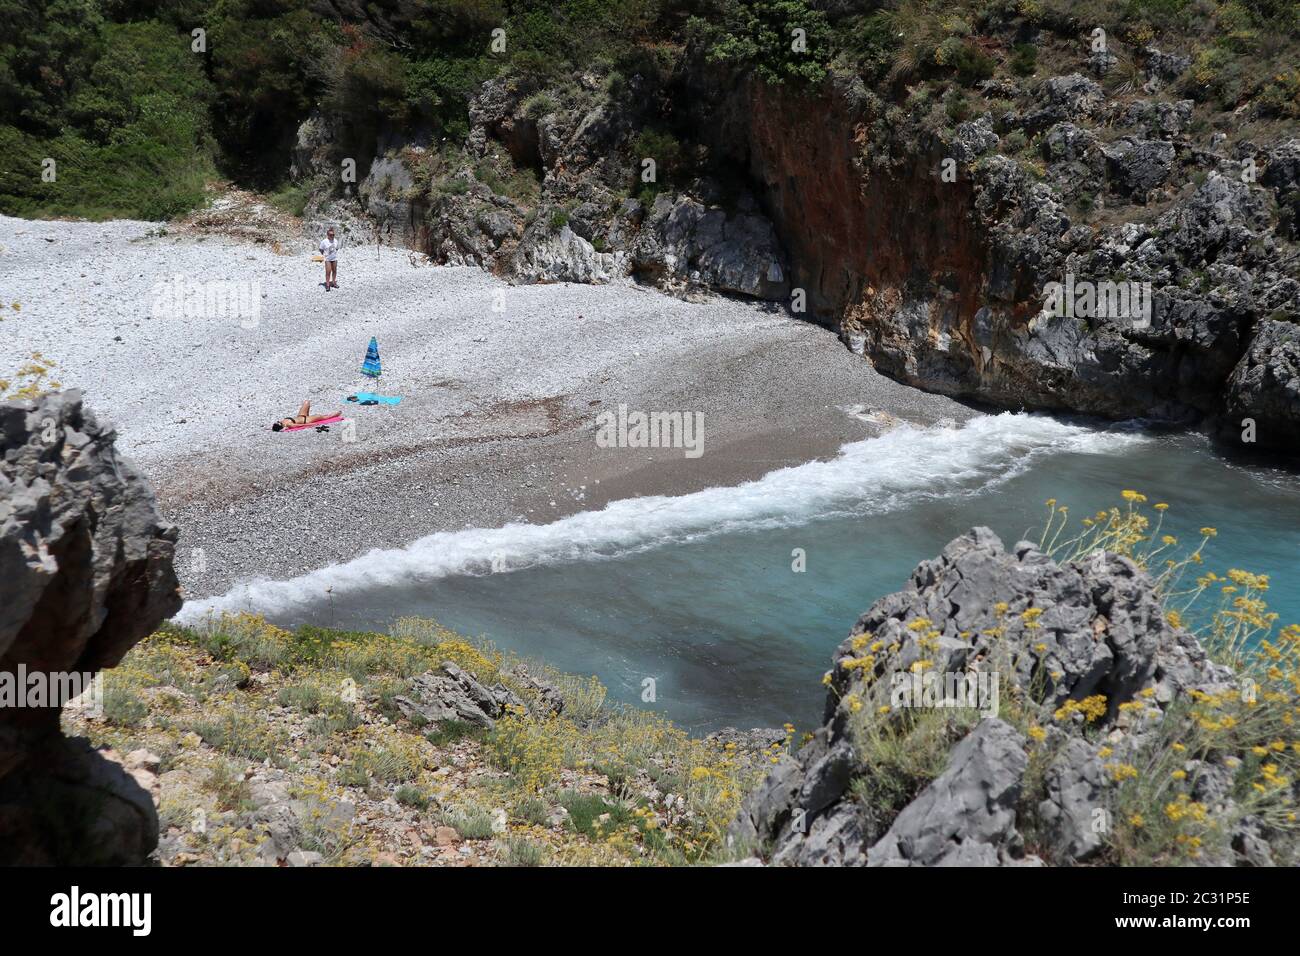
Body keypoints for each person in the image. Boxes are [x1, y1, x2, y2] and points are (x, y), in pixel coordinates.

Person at [271, 400, 340, 431]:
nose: (279, 421)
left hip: (301, 415)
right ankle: (338, 413)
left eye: (278, 421)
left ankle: (336, 413)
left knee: (306, 402)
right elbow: (301, 425)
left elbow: (274, 427)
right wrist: (313, 424)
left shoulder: (283, 422)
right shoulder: (289, 425)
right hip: (307, 420)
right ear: (281, 425)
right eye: (279, 423)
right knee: (325, 417)